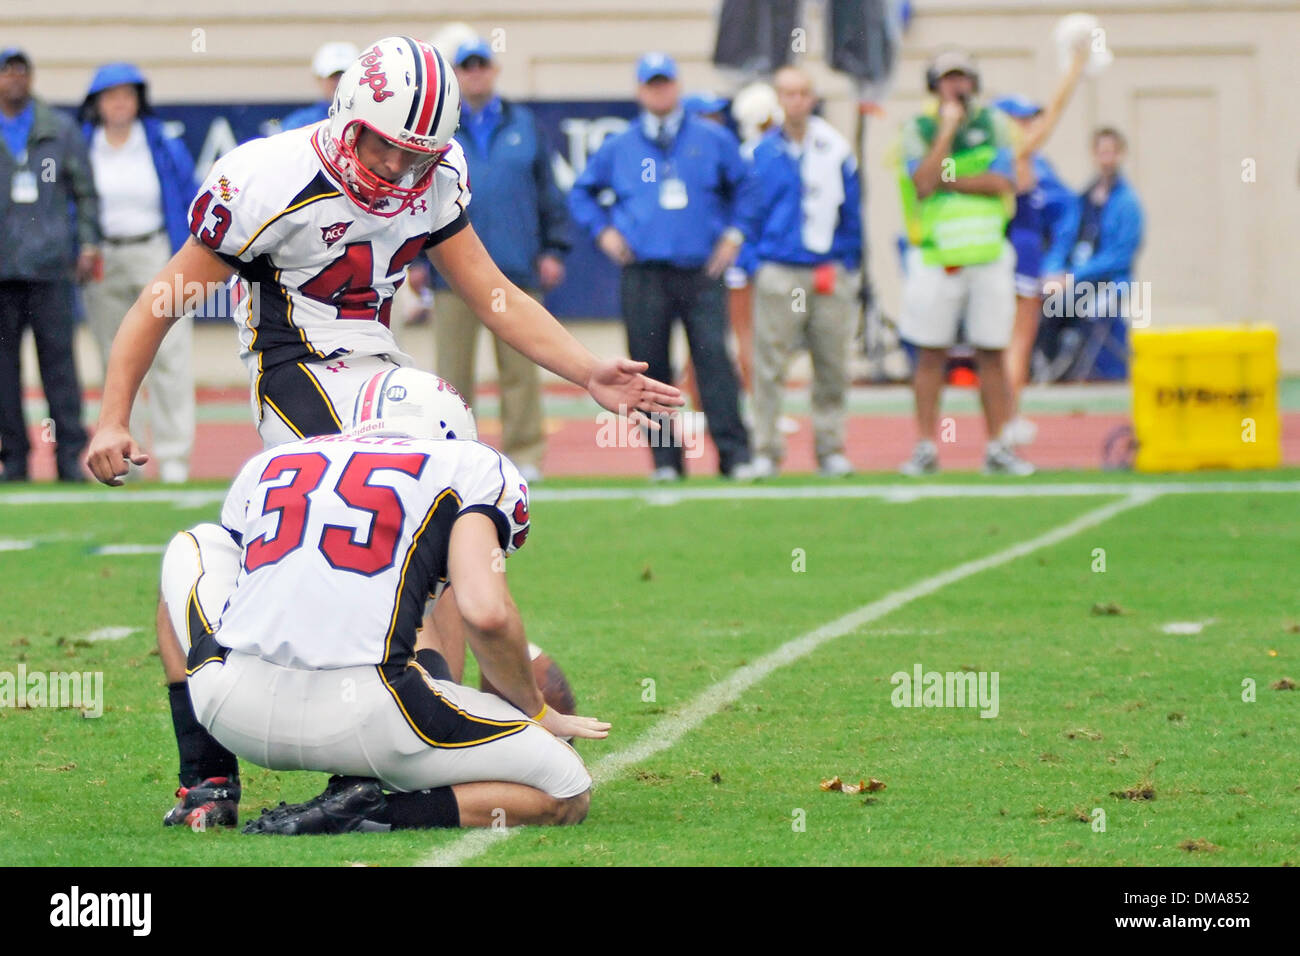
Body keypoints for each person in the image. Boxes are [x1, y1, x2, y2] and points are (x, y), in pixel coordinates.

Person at [82, 36, 680, 827]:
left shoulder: (438, 175)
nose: (399, 173)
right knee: (394, 527)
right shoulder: (267, 177)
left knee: (428, 528)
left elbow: (492, 293)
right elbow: (162, 300)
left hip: (380, 365)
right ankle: (222, 778)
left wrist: (585, 370)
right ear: (349, 116)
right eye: (388, 150)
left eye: (417, 158)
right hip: (293, 374)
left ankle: (398, 722)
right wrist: (114, 413)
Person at [159, 368, 606, 833]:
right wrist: (534, 709)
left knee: (195, 543)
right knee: (566, 788)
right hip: (372, 717)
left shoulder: (275, 461)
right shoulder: (469, 466)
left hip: (232, 706)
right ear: (452, 431)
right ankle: (371, 814)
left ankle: (207, 782)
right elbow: (487, 614)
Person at [570, 52, 754, 482]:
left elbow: (748, 188)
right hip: (644, 271)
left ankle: (735, 456)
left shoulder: (712, 139)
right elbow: (582, 194)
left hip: (701, 270)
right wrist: (603, 232)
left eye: (666, 82)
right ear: (639, 91)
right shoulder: (620, 147)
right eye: (651, 84)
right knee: (649, 370)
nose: (660, 90)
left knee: (714, 364)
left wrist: (735, 235)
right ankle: (667, 462)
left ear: (678, 86)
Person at [421, 36, 570, 484]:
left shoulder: (525, 125)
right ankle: (456, 456)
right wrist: (412, 261)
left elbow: (549, 192)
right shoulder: (439, 131)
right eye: (467, 67)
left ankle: (525, 453)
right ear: (457, 75)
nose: (476, 74)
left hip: (516, 271)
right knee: (452, 375)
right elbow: (415, 196)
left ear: (494, 70)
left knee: (521, 370)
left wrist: (555, 247)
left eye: (482, 65)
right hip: (451, 274)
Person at [894, 48, 1033, 476]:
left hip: (988, 255)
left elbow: (1003, 181)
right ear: (934, 87)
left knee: (991, 352)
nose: (957, 87)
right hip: (938, 257)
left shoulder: (994, 125)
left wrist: (949, 179)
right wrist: (946, 132)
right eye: (948, 79)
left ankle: (997, 446)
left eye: (964, 78)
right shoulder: (918, 129)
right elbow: (921, 183)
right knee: (930, 355)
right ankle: (924, 447)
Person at [737, 65, 861, 479]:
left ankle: (830, 449)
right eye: (786, 94)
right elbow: (746, 215)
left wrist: (847, 261)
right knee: (769, 366)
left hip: (826, 268)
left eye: (802, 93)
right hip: (778, 269)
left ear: (812, 98)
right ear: (777, 99)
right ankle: (766, 450)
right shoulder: (758, 153)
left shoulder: (835, 146)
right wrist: (754, 263)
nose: (795, 101)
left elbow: (853, 211)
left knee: (831, 364)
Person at [80, 63, 198, 483]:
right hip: (103, 259)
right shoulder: (82, 143)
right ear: (96, 104)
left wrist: (186, 257)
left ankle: (175, 458)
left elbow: (191, 198)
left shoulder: (163, 143)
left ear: (138, 101)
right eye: (111, 96)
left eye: (127, 95)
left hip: (156, 254)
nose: (119, 103)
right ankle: (122, 456)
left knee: (170, 355)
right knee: (116, 357)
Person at [0, 48, 100, 482]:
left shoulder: (58, 129)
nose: (14, 78)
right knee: (3, 372)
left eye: (21, 71)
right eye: (6, 72)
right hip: (2, 271)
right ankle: (15, 459)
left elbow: (86, 192)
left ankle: (68, 458)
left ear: (31, 77)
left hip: (51, 268)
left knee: (59, 367)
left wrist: (89, 243)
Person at [994, 41, 1089, 447]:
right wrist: (1075, 68)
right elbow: (1054, 116)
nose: (1033, 125)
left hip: (1020, 249)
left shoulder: (1030, 161)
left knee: (1014, 340)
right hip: (1018, 249)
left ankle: (1007, 416)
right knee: (1016, 339)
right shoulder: (1012, 155)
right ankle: (1007, 418)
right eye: (1023, 119)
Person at [1040, 127, 1144, 381]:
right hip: (1072, 279)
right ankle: (1048, 367)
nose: (1106, 158)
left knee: (1068, 306)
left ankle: (1098, 370)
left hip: (1107, 282)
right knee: (1040, 302)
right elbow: (1064, 240)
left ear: (1121, 155)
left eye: (1112, 152)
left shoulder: (1128, 203)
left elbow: (1120, 256)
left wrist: (1074, 276)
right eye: (1102, 152)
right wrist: (1051, 271)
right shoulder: (1083, 198)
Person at [279, 41, 359, 131]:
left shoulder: (369, 118)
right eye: (333, 76)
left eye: (346, 76)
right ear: (319, 79)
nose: (339, 82)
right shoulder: (299, 123)